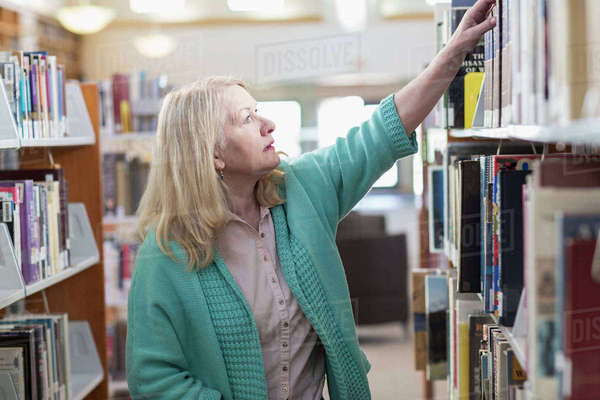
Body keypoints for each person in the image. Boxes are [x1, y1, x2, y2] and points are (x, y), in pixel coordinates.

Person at [126, 1, 496, 398]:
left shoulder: (299, 190)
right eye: (247, 119)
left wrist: (452, 55)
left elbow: (379, 134)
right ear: (211, 153)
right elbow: (154, 380)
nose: (268, 124)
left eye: (259, 111)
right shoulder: (165, 253)